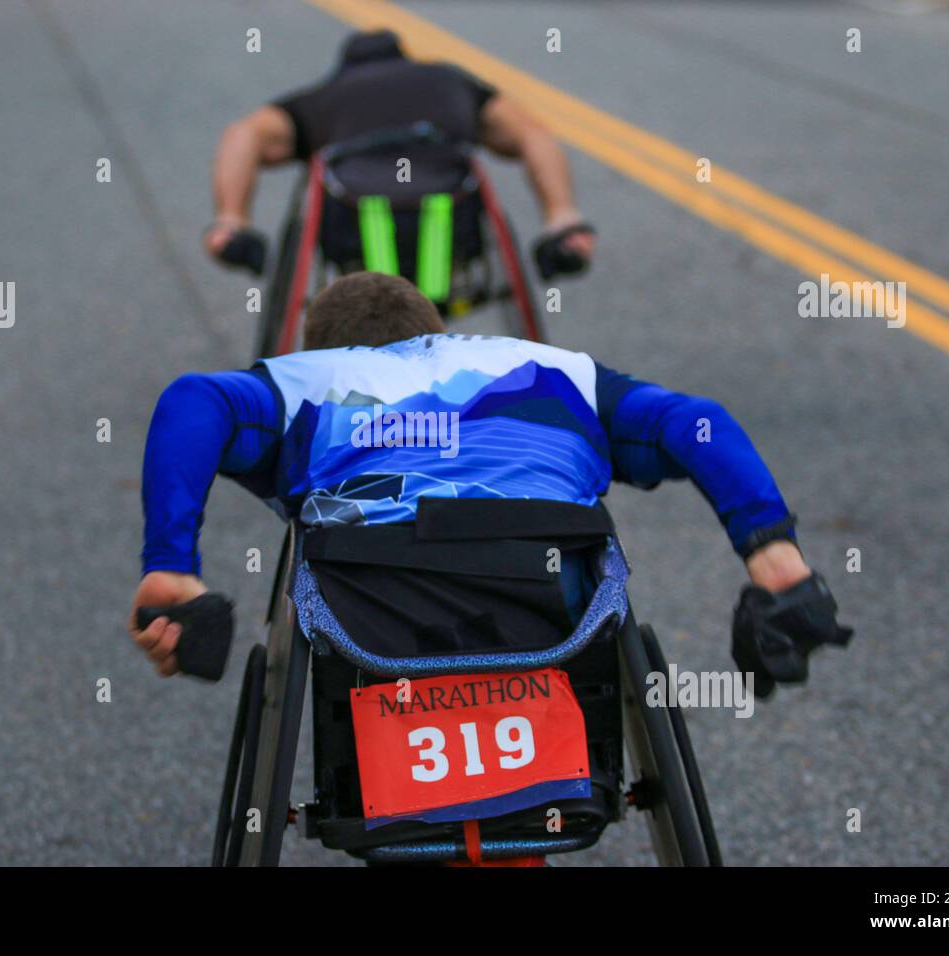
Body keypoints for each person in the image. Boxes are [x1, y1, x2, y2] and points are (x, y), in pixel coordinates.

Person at [128, 271, 852, 700]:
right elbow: (697, 422)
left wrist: (171, 563)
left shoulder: (306, 379)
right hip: (555, 605)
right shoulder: (556, 368)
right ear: (436, 332)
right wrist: (769, 551)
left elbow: (194, 401)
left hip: (375, 616)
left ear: (333, 349)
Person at [203, 29, 595, 284]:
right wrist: (559, 214)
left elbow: (242, 136)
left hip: (355, 222)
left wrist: (233, 219)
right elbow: (531, 134)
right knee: (527, 132)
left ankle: (227, 226)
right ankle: (565, 222)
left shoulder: (321, 98)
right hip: (449, 211)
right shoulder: (448, 80)